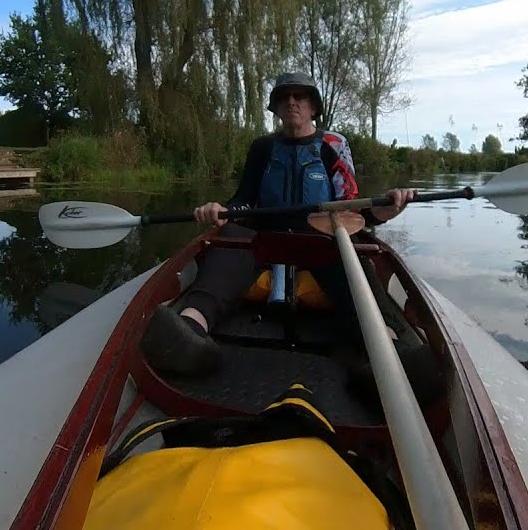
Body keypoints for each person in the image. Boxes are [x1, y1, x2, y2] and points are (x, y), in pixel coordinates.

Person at [140, 71, 418, 384]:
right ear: (276, 108)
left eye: (299, 96)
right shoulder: (262, 148)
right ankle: (190, 329)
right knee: (232, 235)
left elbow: (349, 206)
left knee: (348, 250)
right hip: (266, 237)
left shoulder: (334, 145)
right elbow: (244, 200)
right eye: (284, 97)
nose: (291, 102)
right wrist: (224, 211)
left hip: (320, 239)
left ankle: (389, 346)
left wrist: (381, 211)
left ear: (313, 106)